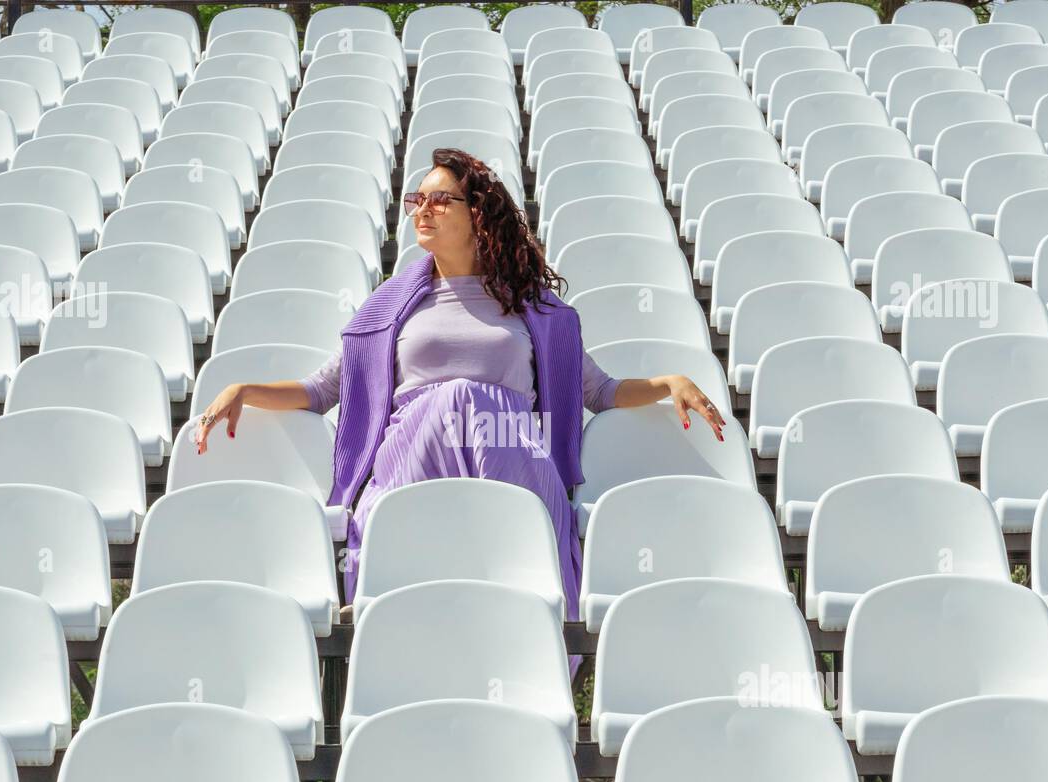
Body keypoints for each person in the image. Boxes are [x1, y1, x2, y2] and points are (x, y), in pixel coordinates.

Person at [196, 147, 726, 645]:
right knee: (452, 400)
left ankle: (514, 593)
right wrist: (245, 389)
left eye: (438, 199)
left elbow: (600, 391)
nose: (421, 209)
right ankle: (398, 590)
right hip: (416, 453)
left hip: (510, 452)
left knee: (475, 405)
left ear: (478, 214)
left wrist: (667, 383)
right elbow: (321, 390)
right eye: (416, 199)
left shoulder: (531, 307)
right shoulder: (392, 307)